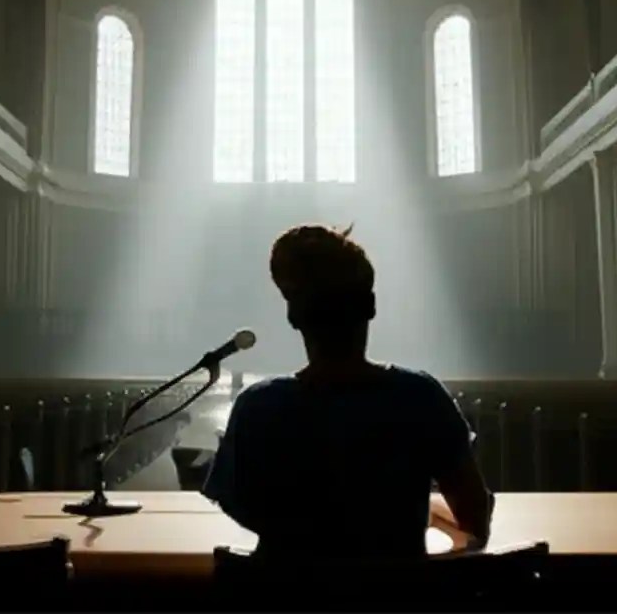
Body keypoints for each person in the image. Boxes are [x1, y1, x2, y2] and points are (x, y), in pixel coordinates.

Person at [202, 224, 494, 561]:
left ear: (293, 316)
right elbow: (475, 519)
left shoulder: (258, 408)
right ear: (370, 305)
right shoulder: (420, 398)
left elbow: (243, 508)